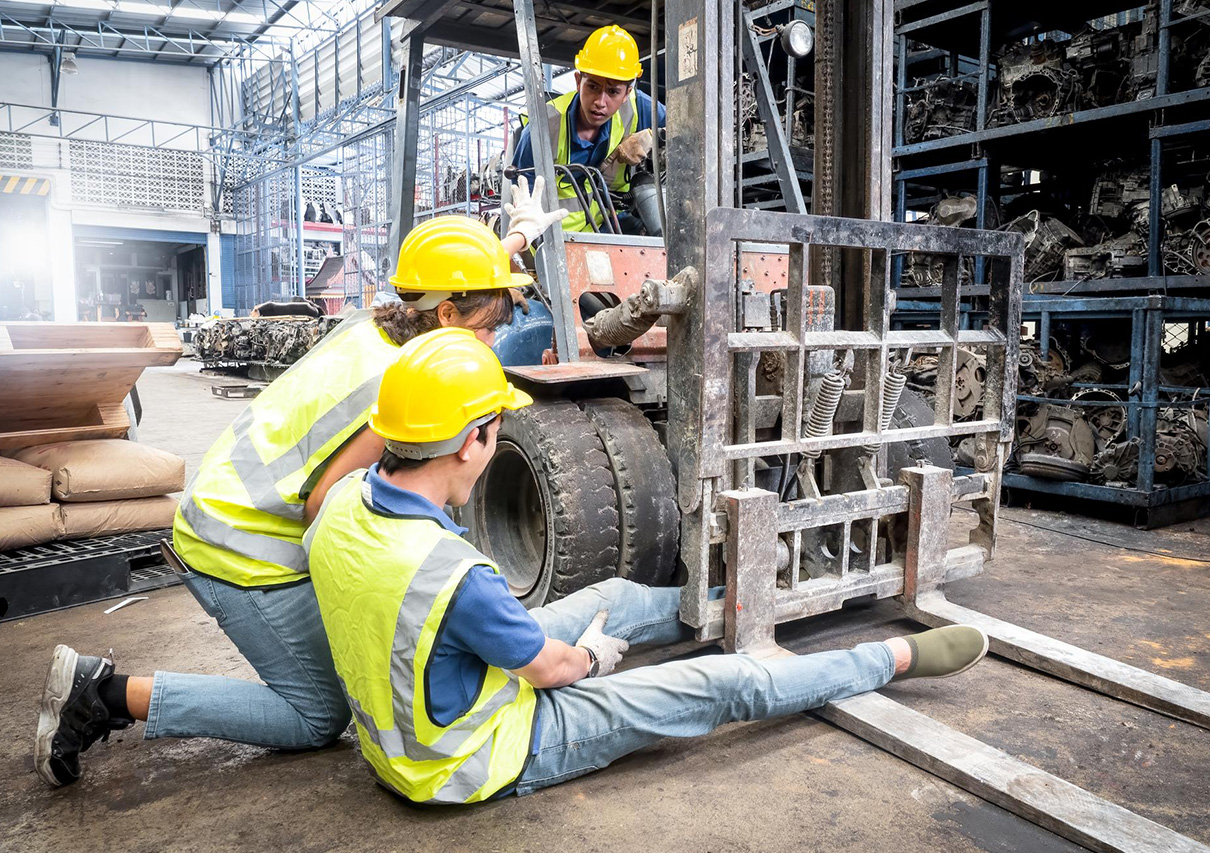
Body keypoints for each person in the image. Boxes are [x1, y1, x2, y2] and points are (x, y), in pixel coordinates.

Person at [304, 329, 991, 804]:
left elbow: (448, 614)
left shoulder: (338, 504)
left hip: (417, 719)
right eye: (495, 434)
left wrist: (578, 646)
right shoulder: (455, 574)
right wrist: (591, 659)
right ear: (471, 440)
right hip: (473, 758)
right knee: (723, 683)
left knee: (616, 597)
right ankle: (891, 659)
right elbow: (549, 670)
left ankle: (760, 599)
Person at [33, 186, 568, 788]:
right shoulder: (396, 388)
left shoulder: (380, 325)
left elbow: (456, 282)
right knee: (318, 715)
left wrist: (517, 239)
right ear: (447, 316)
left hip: (229, 501)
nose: (491, 342)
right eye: (488, 329)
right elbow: (327, 510)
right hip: (239, 544)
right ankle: (101, 695)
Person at [510, 25, 666, 236]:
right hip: (558, 238)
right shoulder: (543, 129)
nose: (600, 102)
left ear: (627, 93)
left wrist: (653, 137)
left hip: (611, 226)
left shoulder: (640, 109)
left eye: (613, 91)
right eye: (593, 87)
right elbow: (524, 199)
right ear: (578, 82)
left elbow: (690, 130)